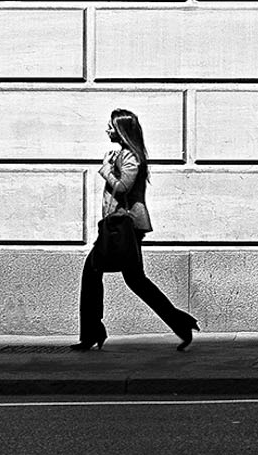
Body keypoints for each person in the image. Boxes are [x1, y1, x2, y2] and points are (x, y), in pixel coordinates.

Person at [76, 108, 198, 350]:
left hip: (123, 227)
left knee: (100, 274)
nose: (107, 129)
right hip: (117, 226)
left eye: (111, 126)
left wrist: (105, 169)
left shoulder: (131, 157)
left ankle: (93, 333)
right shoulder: (124, 155)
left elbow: (123, 187)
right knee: (132, 280)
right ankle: (180, 323)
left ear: (121, 130)